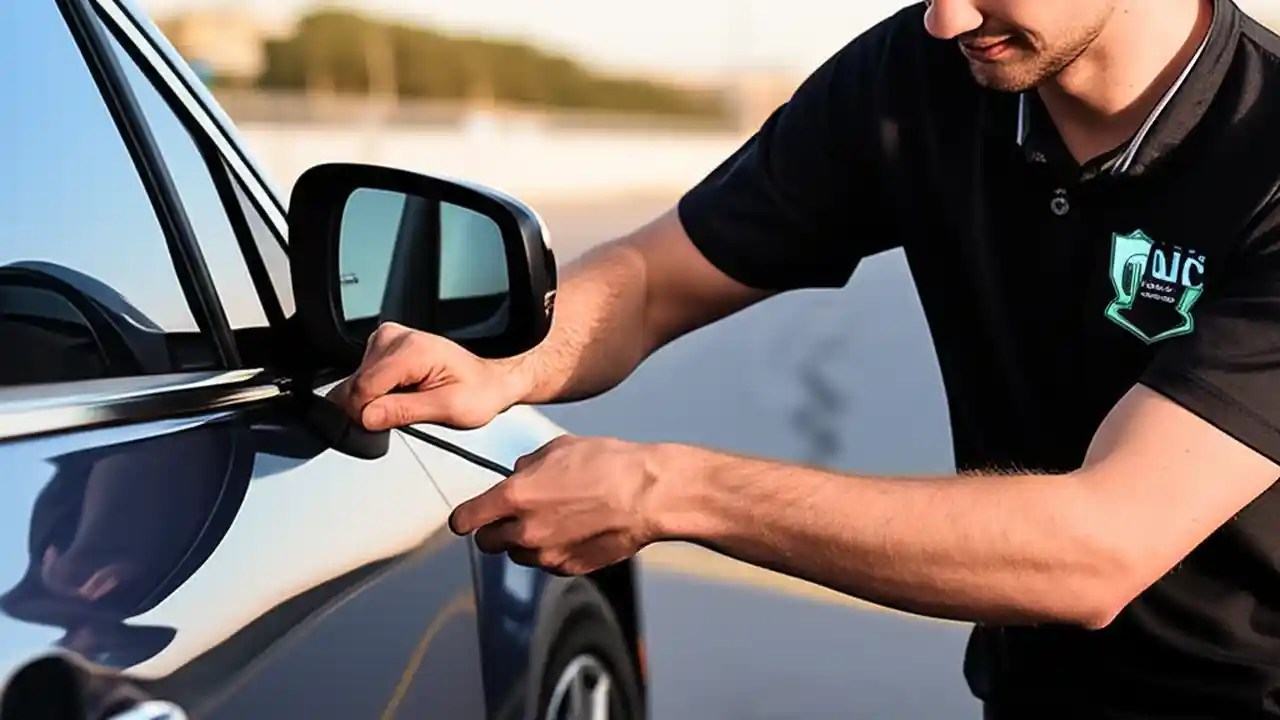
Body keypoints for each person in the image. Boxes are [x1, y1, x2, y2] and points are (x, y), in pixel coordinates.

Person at [332, 0, 1280, 716]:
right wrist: (507, 362)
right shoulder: (918, 74)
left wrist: (671, 490)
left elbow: (1096, 549)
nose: (947, 16)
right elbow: (658, 277)